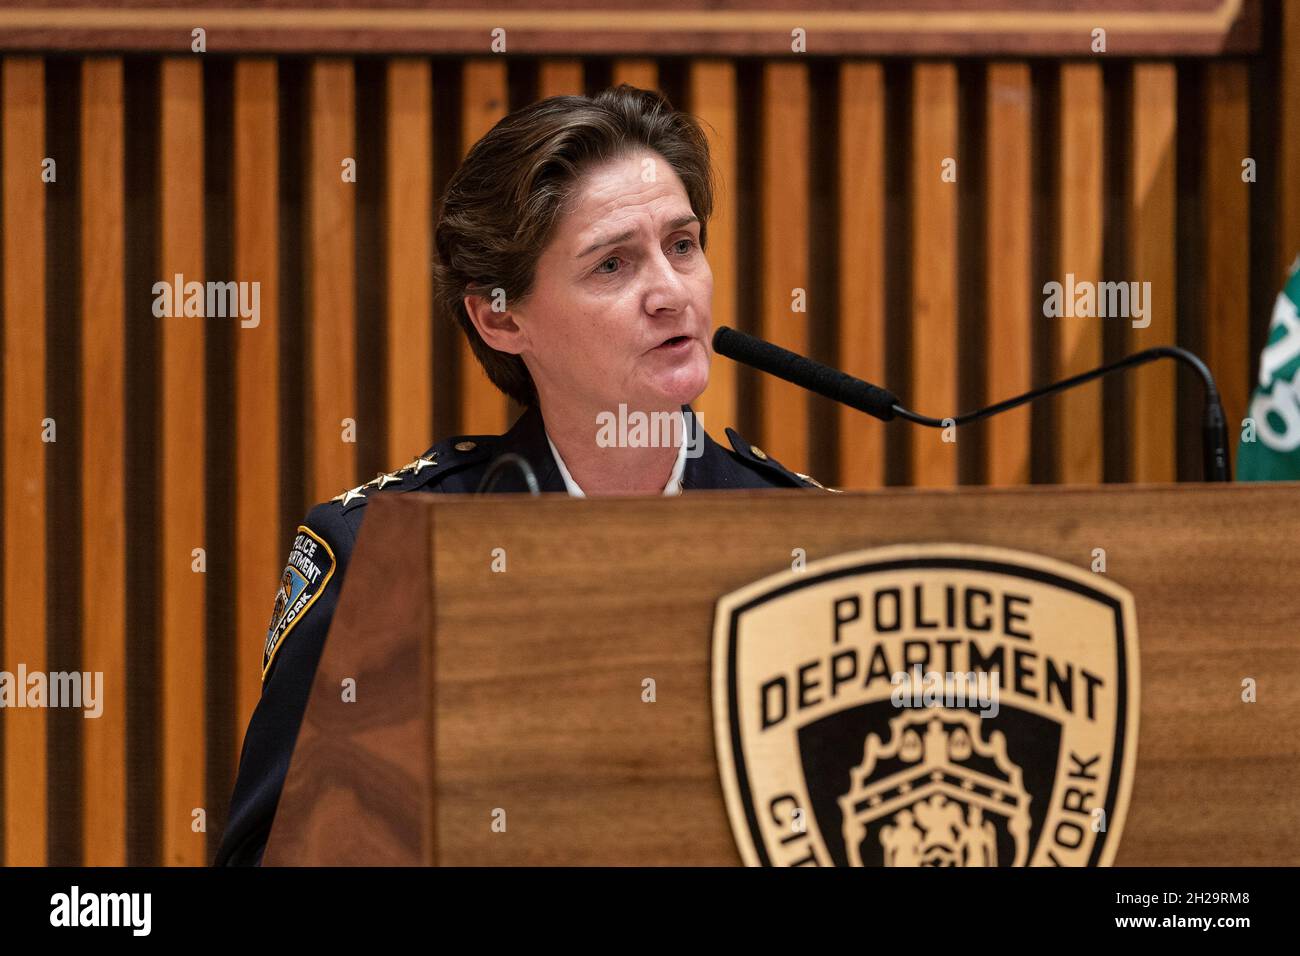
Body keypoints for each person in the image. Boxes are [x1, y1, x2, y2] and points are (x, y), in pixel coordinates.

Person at [214, 84, 831, 866]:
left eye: (682, 245)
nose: (673, 293)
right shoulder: (384, 552)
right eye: (613, 264)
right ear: (501, 317)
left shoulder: (810, 539)